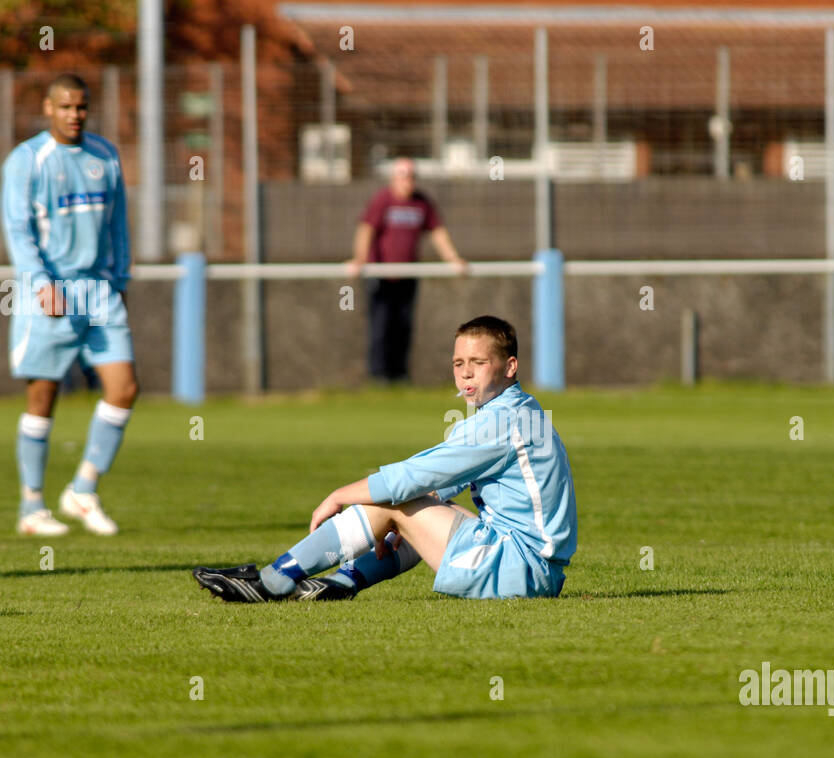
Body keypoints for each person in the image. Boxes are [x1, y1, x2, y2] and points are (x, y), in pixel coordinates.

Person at [193, 315, 577, 602]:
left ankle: (273, 582)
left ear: (510, 366)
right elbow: (443, 483)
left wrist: (342, 495)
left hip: (519, 571)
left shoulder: (502, 421)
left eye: (478, 362)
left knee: (396, 503)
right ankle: (338, 585)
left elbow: (413, 477)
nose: (465, 374)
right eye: (459, 364)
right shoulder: (521, 411)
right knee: (418, 507)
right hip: (535, 571)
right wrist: (411, 515)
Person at [0, 73, 137, 536]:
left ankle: (82, 489)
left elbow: (118, 222)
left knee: (123, 388)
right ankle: (31, 507)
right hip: (51, 291)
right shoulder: (27, 160)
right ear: (47, 108)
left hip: (98, 290)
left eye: (81, 107)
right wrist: (40, 283)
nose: (74, 115)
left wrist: (120, 279)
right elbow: (18, 230)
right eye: (65, 107)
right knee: (43, 395)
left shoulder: (105, 154)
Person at [346, 157, 466, 384]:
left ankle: (400, 375)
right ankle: (379, 376)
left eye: (410, 178)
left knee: (403, 325)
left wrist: (453, 259)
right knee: (381, 325)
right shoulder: (383, 200)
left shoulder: (422, 203)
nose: (407, 183)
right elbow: (366, 229)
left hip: (407, 275)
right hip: (381, 276)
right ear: (394, 179)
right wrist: (360, 259)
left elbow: (437, 232)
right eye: (402, 177)